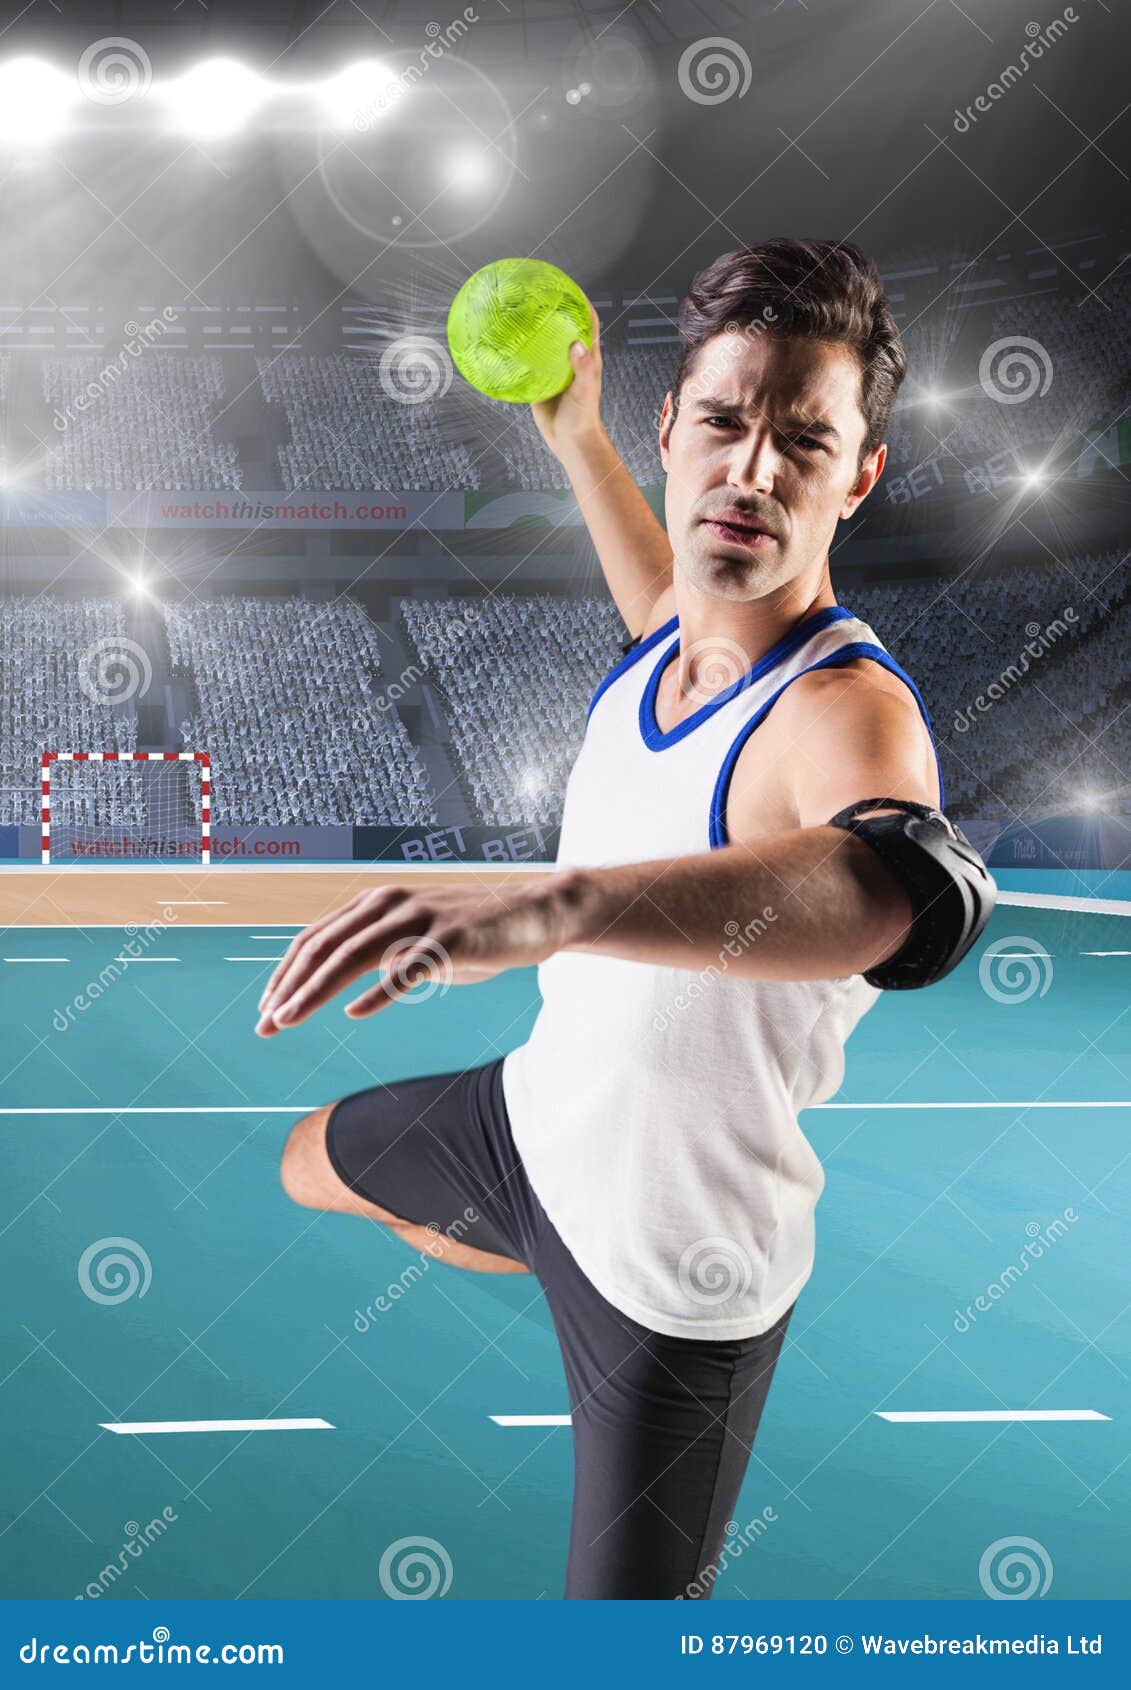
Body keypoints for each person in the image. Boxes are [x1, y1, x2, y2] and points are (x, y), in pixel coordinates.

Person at [259, 238, 995, 1599]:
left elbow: (896, 888)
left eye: (803, 442)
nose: (753, 469)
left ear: (861, 473)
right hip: (534, 1126)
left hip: (673, 1269)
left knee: (620, 1652)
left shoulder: (845, 711)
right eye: (722, 421)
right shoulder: (672, 626)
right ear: (675, 426)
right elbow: (661, 589)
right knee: (308, 1156)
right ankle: (520, 1246)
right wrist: (576, 436)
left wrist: (556, 906)